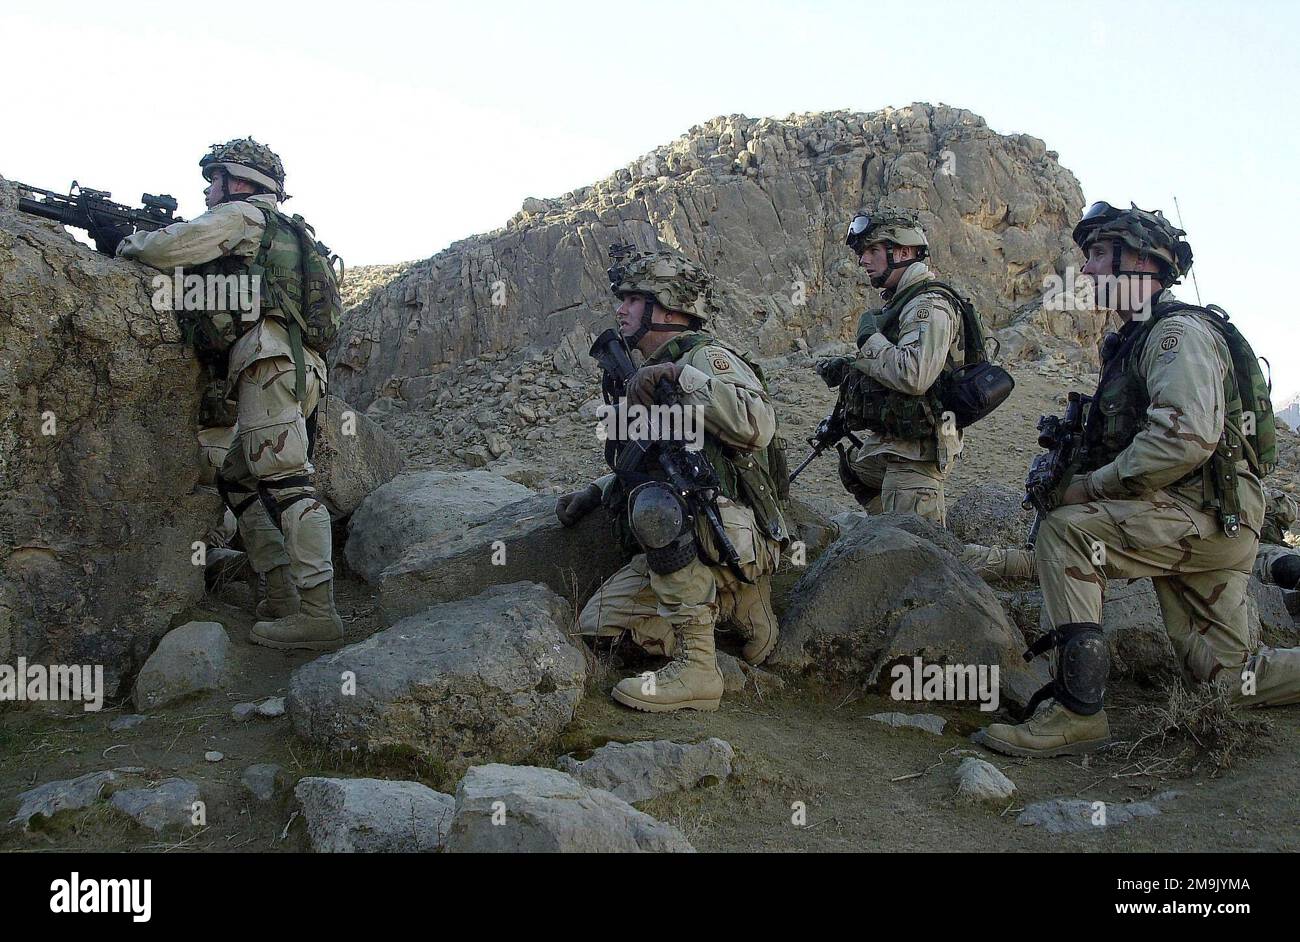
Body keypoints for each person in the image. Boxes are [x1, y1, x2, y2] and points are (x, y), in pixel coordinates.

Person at [977, 202, 1300, 759]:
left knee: (1067, 532)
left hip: (1199, 517)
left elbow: (1185, 437)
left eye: (1100, 255)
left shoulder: (1175, 335)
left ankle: (1077, 712)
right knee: (1226, 682)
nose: (1089, 271)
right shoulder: (1136, 340)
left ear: (1142, 264)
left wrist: (1093, 486)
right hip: (1206, 518)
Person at [106, 138, 342, 651]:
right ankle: (281, 592)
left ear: (237, 180)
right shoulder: (288, 231)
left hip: (268, 361)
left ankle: (320, 615)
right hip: (294, 369)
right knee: (237, 480)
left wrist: (127, 242)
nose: (208, 191)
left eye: (213, 179)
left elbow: (171, 246)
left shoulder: (242, 216)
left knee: (289, 485)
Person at [556, 247, 789, 712]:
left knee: (657, 506)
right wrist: (598, 491)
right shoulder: (638, 373)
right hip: (694, 532)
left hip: (727, 528)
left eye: (632, 299)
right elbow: (651, 460)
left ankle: (700, 667)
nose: (620, 309)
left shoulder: (705, 359)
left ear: (665, 306)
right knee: (596, 625)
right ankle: (735, 603)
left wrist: (679, 378)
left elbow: (758, 423)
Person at [815, 208, 964, 525]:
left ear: (905, 252)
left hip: (916, 454)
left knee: (925, 556)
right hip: (893, 447)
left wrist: (868, 340)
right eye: (862, 252)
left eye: (873, 250)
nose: (863, 261)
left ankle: (1022, 565)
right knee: (856, 471)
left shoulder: (929, 304)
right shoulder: (902, 303)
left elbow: (914, 375)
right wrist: (851, 369)